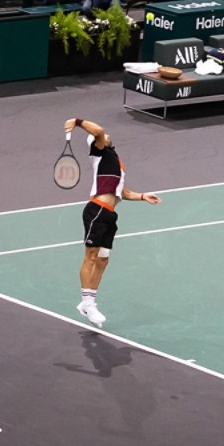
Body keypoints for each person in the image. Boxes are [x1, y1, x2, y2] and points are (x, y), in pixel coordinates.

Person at [64, 117, 161, 329]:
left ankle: (90, 301)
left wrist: (143, 196)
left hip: (110, 214)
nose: (107, 135)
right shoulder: (98, 151)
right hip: (96, 211)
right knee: (90, 256)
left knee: (103, 260)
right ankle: (87, 303)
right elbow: (98, 131)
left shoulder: (116, 161)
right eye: (102, 136)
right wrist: (78, 122)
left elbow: (120, 192)